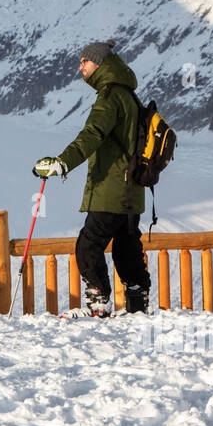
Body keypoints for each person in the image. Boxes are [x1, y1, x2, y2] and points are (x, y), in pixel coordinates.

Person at [32, 40, 152, 316]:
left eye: (85, 62)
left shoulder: (110, 97)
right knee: (126, 248)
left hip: (112, 187)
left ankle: (98, 305)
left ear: (100, 64)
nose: (80, 67)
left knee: (88, 244)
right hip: (133, 189)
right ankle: (137, 305)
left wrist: (63, 163)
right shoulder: (129, 96)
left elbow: (92, 135)